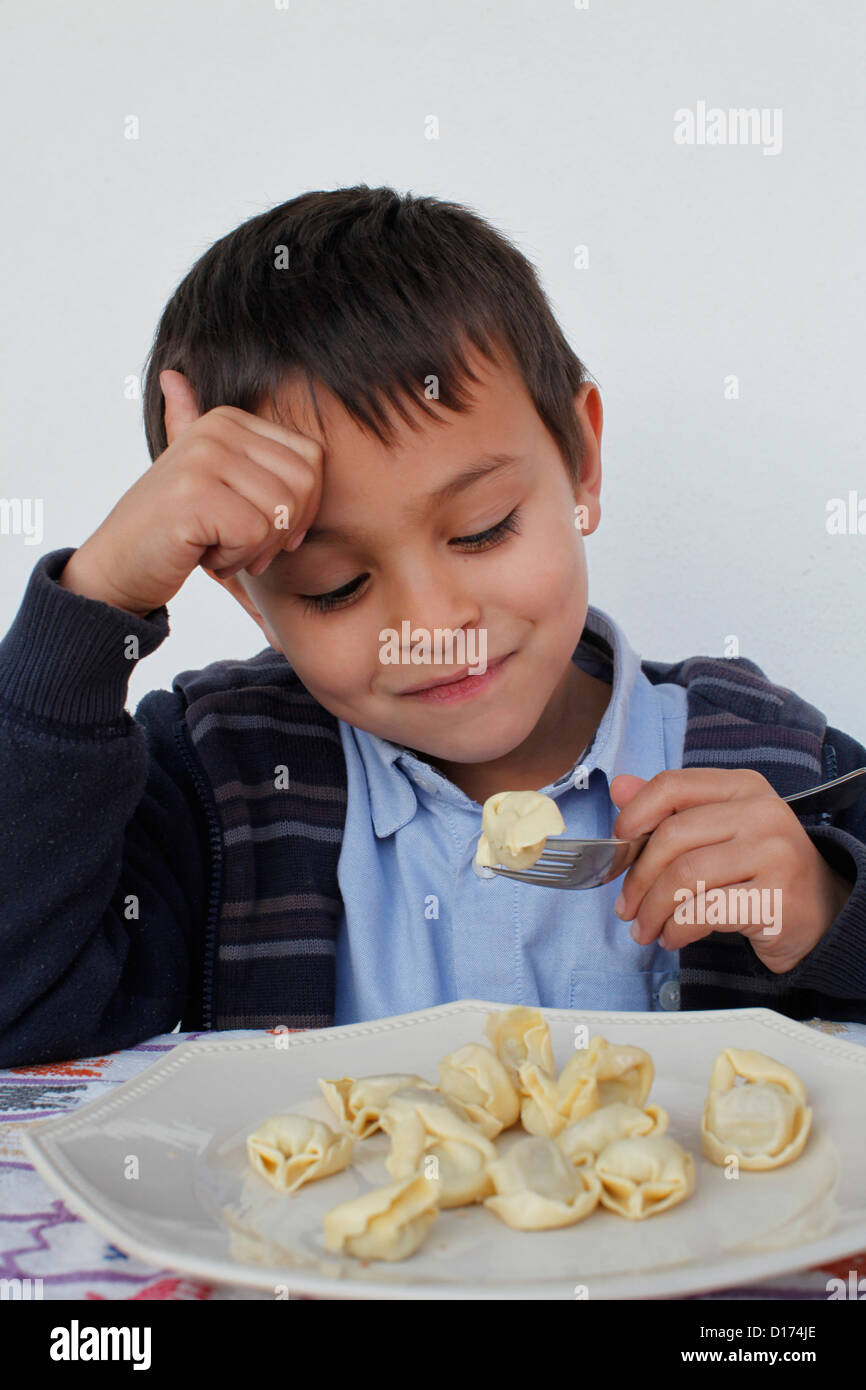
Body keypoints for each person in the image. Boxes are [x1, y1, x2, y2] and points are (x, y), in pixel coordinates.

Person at [1, 185, 864, 1067]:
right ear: (244, 588)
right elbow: (20, 1003)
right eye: (334, 585)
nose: (431, 625)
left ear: (582, 458)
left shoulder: (782, 766)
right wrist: (98, 601)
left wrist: (830, 907)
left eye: (483, 529)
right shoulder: (220, 785)